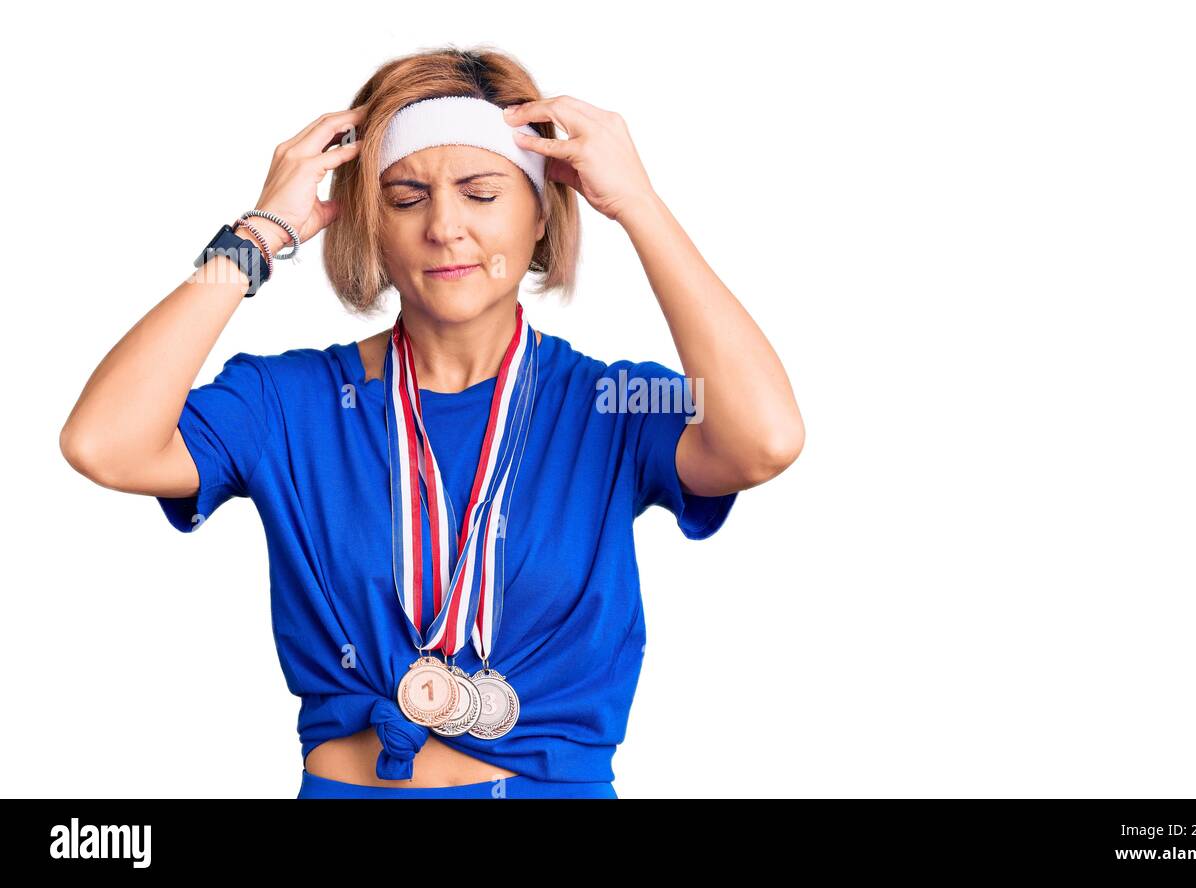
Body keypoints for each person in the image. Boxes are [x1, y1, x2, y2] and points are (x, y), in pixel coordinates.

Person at [59, 45, 804, 799]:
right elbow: (104, 443)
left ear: (541, 210)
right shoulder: (290, 404)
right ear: (372, 225)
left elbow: (765, 438)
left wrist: (640, 205)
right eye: (407, 198)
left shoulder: (606, 405)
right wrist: (256, 236)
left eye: (481, 194)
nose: (445, 228)